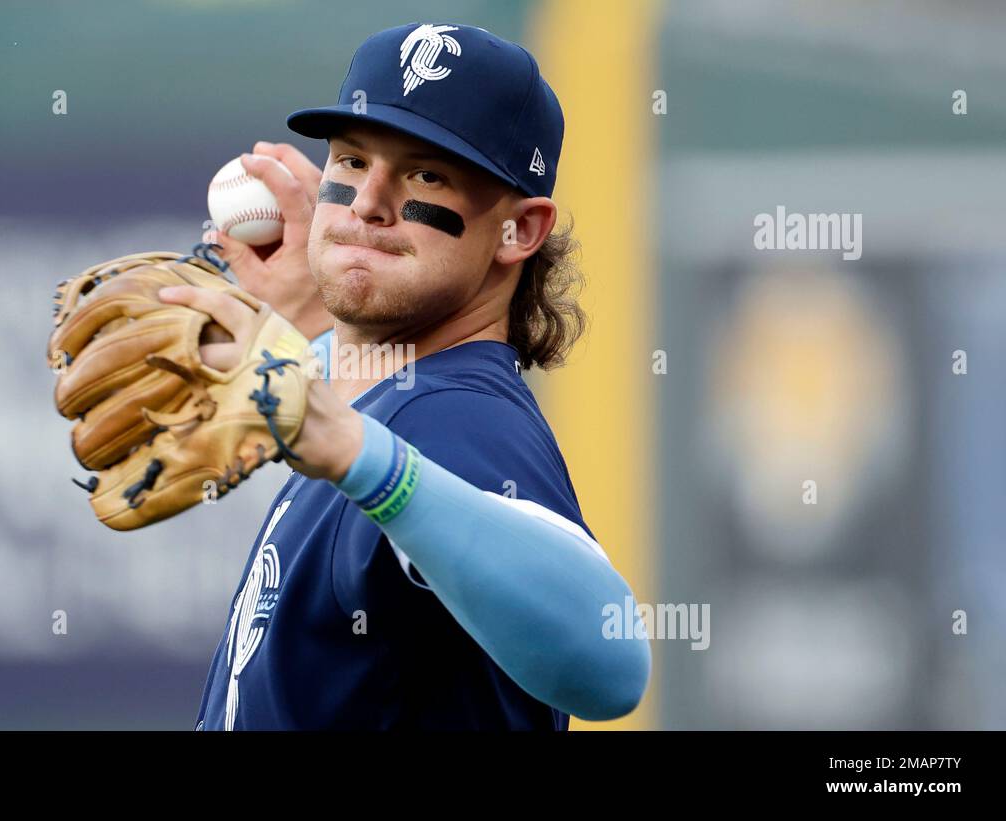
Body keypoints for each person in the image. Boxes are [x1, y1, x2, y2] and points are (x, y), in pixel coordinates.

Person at [164, 22, 651, 730]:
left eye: (426, 173)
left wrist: (364, 456)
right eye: (352, 161)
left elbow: (612, 665)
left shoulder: (451, 419)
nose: (367, 202)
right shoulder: (389, 399)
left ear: (519, 230)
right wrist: (317, 340)